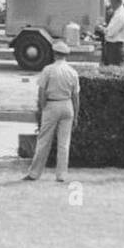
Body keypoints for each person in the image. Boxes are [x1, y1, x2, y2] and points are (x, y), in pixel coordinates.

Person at [23, 40, 81, 182]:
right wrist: (76, 115)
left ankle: (34, 173)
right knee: (64, 143)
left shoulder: (48, 70)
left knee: (44, 141)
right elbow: (76, 97)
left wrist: (43, 108)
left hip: (52, 104)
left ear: (55, 54)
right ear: (66, 55)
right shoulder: (72, 72)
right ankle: (61, 175)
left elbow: (41, 92)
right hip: (67, 105)